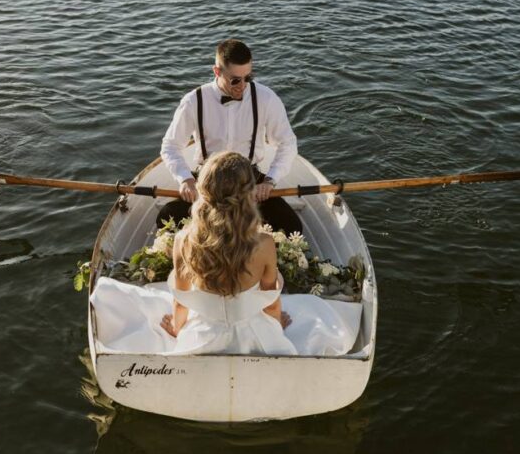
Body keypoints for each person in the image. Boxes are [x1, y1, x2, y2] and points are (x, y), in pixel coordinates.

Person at [89, 152, 362, 357]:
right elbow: (270, 299)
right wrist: (277, 323)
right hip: (257, 335)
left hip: (200, 333)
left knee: (121, 299)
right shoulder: (264, 243)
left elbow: (181, 299)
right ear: (248, 194)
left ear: (203, 191)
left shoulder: (184, 240)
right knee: (325, 315)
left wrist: (176, 326)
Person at [157, 39, 303, 235]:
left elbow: (287, 143)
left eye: (248, 77)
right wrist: (186, 180)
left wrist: (269, 181)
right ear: (217, 71)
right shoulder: (194, 101)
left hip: (249, 182)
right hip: (206, 182)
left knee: (291, 226)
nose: (242, 86)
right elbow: (170, 146)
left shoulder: (266, 98)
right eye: (235, 79)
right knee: (165, 220)